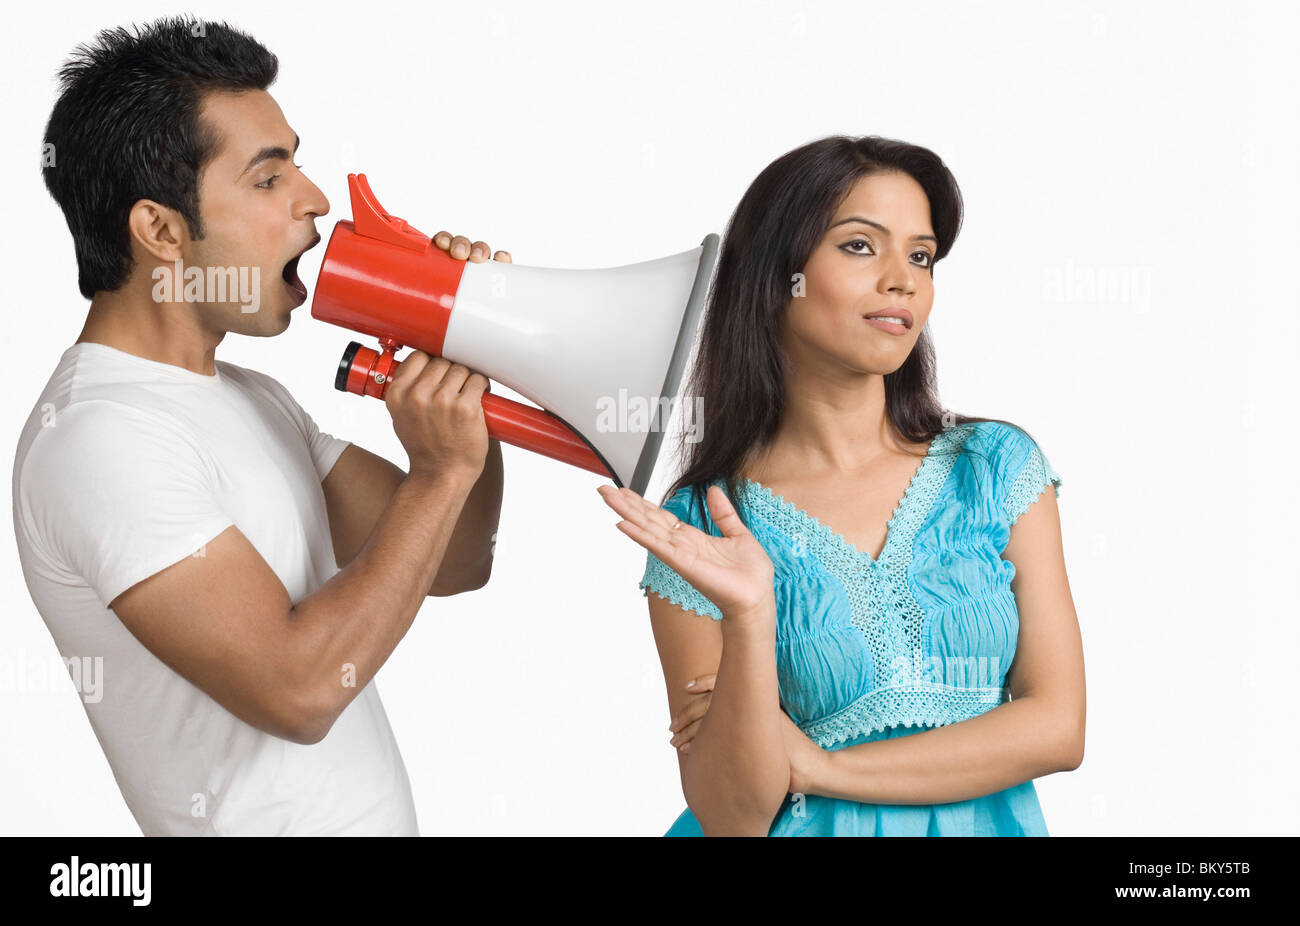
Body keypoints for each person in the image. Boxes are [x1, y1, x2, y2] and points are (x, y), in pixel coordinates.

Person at [13, 16, 509, 835]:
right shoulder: (96, 439)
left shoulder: (250, 396)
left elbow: (456, 558)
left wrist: (469, 350)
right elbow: (301, 691)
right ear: (161, 231)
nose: (314, 200)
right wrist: (439, 471)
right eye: (268, 180)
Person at [597, 134, 1085, 836]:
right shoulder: (704, 520)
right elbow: (734, 814)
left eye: (921, 255)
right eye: (860, 246)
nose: (904, 280)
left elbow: (1058, 729)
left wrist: (824, 768)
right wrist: (750, 614)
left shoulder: (996, 467)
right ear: (776, 274)